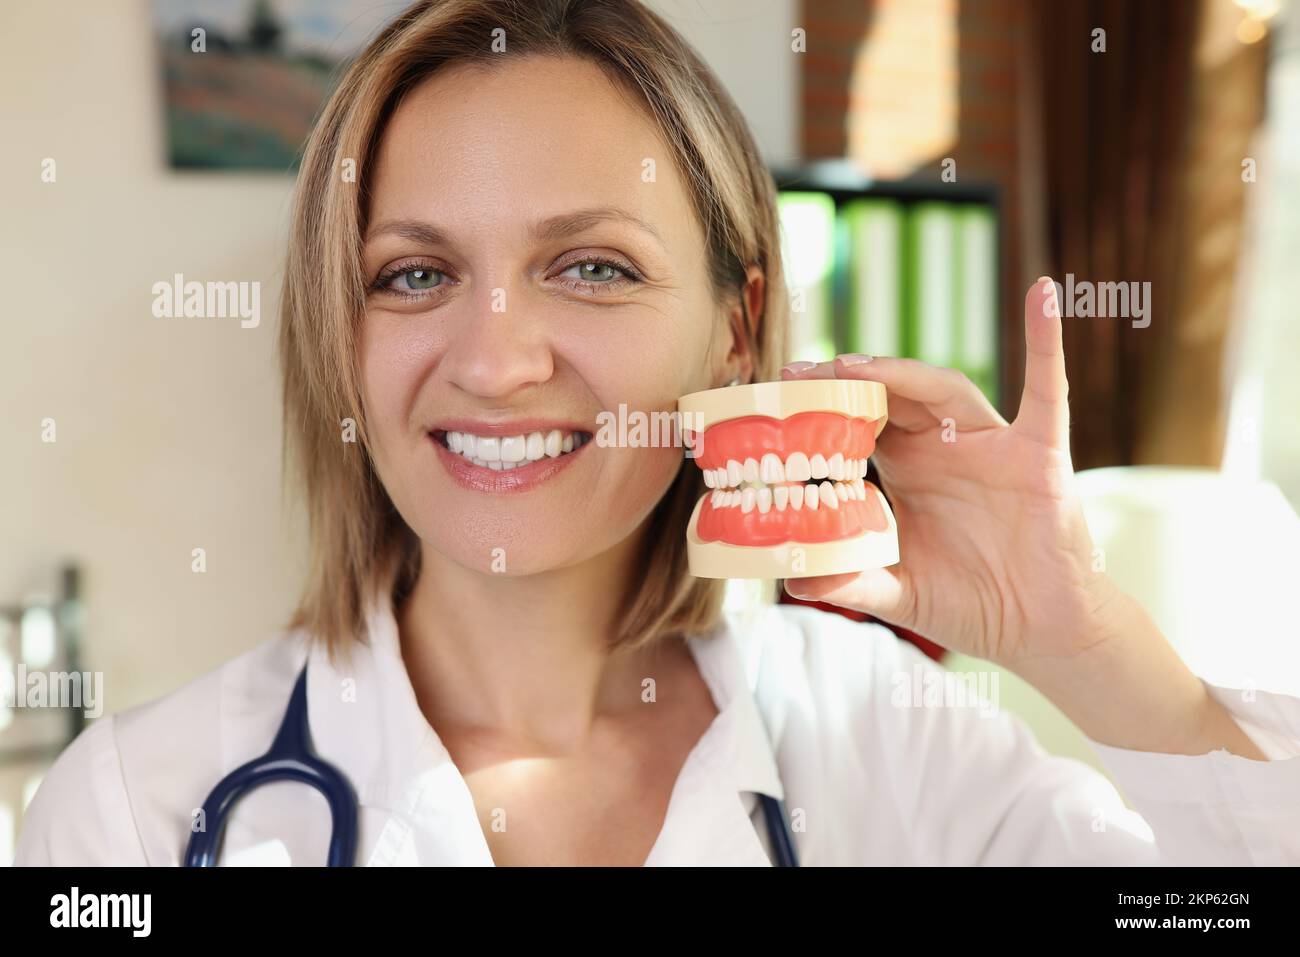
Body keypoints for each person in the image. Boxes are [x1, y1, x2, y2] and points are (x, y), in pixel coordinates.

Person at [15, 0, 1299, 867]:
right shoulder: (137, 815)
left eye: (592, 268)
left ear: (734, 332)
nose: (496, 362)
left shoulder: (889, 740)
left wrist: (1084, 645)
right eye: (412, 275)